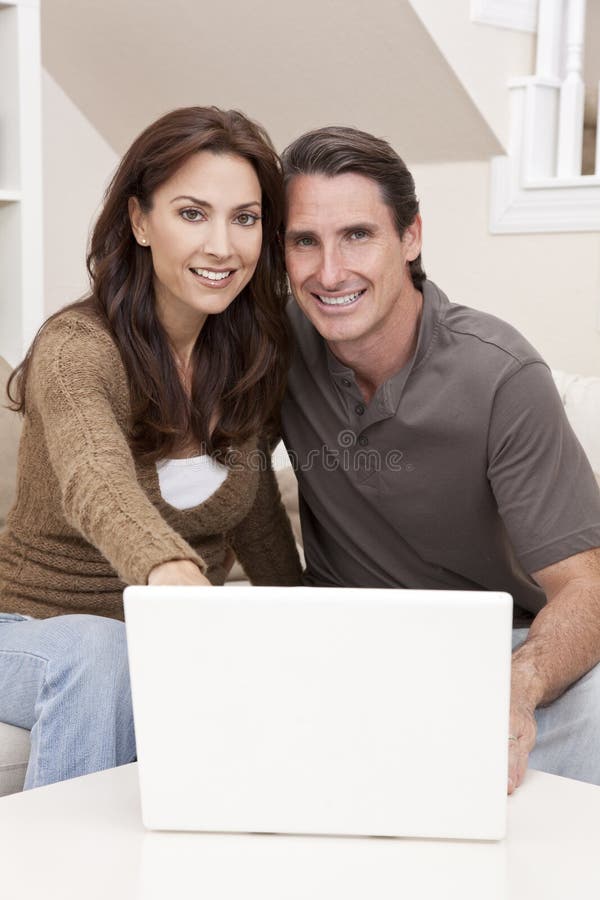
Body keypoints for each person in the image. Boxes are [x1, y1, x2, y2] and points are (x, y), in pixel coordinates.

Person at [279, 125, 600, 794]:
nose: (329, 272)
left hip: (492, 654)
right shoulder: (274, 346)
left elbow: (587, 587)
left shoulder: (501, 375)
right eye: (305, 241)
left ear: (412, 237)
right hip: (343, 657)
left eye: (358, 235)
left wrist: (519, 686)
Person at [0, 106, 302, 789]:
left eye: (245, 218)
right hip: (27, 627)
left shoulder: (254, 354)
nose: (223, 246)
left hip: (164, 640)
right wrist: (170, 570)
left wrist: (304, 619)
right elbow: (94, 479)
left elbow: (250, 513)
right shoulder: (78, 347)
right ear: (139, 221)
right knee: (101, 651)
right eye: (193, 213)